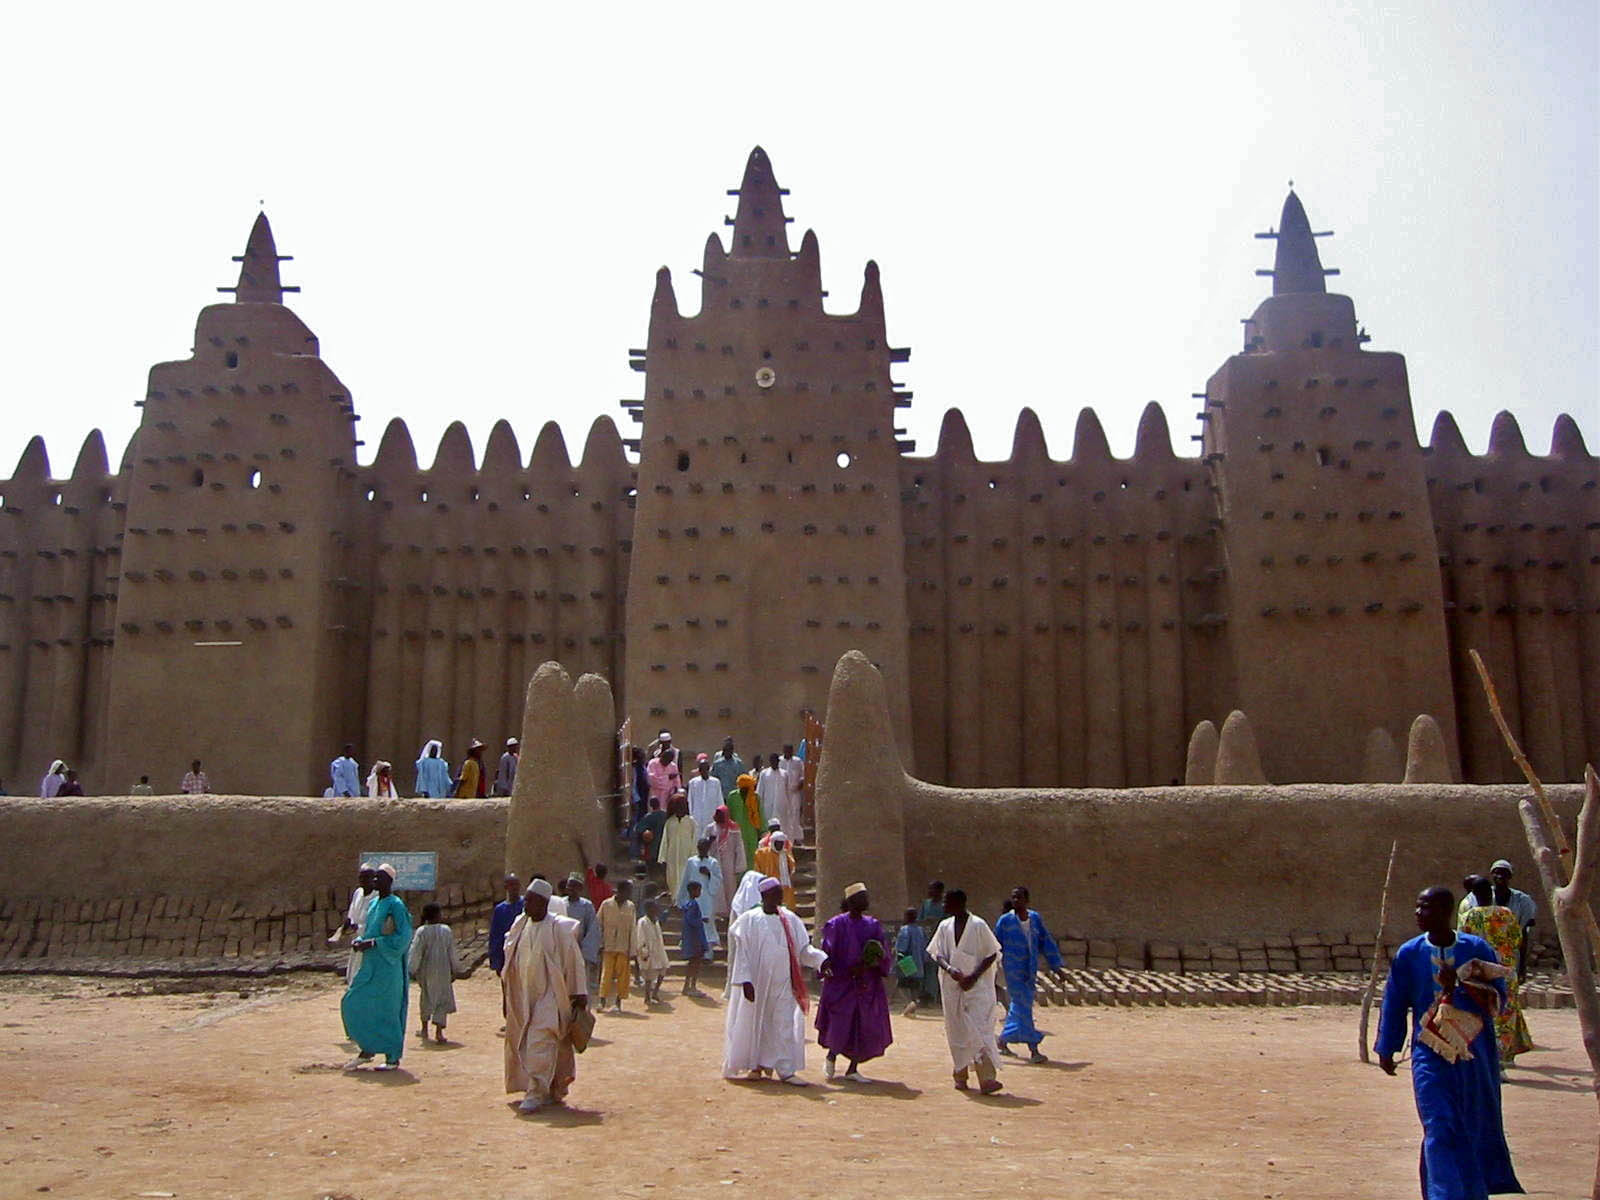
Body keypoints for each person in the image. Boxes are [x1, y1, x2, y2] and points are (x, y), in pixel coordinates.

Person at [1376, 886, 1522, 1198]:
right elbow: (1395, 1002)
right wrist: (1387, 1046)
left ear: (1446, 911)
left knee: (1472, 1124)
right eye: (1418, 907)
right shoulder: (1409, 954)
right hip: (1429, 1053)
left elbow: (1498, 1000)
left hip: (1474, 1054)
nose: (1418, 914)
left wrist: (1458, 984)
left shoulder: (1477, 949)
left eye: (1426, 907)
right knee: (1438, 1123)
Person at [723, 877, 827, 1084]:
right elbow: (742, 954)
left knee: (783, 1024)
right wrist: (745, 980)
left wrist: (822, 961)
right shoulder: (749, 920)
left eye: (780, 893)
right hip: (758, 983)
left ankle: (786, 1070)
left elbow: (803, 949)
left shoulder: (790, 919)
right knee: (756, 1024)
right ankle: (756, 1066)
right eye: (776, 893)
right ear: (764, 896)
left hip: (785, 983)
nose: (780, 897)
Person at [502, 879, 587, 1113]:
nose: (525, 904)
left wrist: (579, 994)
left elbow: (575, 962)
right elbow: (509, 961)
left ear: (543, 903)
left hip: (551, 996)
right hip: (524, 994)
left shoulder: (558, 928)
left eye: (530, 900)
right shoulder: (521, 925)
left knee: (539, 1042)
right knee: (540, 1044)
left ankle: (536, 1093)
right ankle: (552, 1088)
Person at [817, 883, 893, 1083]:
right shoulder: (836, 924)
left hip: (866, 985)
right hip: (841, 983)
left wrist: (870, 964)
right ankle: (831, 1056)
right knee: (840, 1023)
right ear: (851, 902)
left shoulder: (873, 924)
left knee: (863, 1025)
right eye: (862, 897)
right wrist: (834, 968)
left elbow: (881, 951)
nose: (866, 901)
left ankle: (853, 1068)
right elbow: (827, 952)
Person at [929, 888, 1003, 1094]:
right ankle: (960, 1074)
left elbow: (992, 953)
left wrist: (973, 977)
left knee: (980, 1029)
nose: (943, 905)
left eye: (947, 901)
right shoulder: (944, 926)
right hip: (952, 988)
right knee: (956, 1030)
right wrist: (950, 969)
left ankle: (986, 1079)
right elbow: (937, 953)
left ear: (959, 903)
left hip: (977, 989)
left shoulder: (978, 925)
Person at [340, 863, 413, 1070]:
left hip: (388, 967)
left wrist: (374, 943)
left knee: (387, 1011)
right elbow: (368, 931)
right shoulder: (373, 904)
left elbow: (404, 936)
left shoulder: (396, 905)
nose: (374, 881)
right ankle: (367, 1048)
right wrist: (360, 941)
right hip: (370, 964)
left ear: (389, 881)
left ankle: (391, 1057)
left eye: (378, 878)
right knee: (354, 1000)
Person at [1460, 877, 1534, 1071]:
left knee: (1482, 1015)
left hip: (1480, 974)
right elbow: (1517, 940)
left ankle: (1485, 1059)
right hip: (1506, 972)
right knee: (1505, 1015)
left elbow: (1462, 945)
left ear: (1474, 895)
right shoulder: (1507, 914)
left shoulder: (1468, 917)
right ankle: (1503, 1059)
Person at [994, 885, 1067, 1062]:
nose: (1015, 900)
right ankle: (1034, 1049)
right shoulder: (1005, 921)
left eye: (1019, 897)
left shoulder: (1035, 919)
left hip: (1029, 971)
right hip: (1013, 970)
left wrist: (1057, 967)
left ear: (1027, 900)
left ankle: (1003, 1041)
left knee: (1019, 1007)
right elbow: (995, 945)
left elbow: (1046, 942)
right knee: (1023, 1007)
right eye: (1013, 897)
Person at [409, 902, 458, 1043]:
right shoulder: (446, 930)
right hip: (443, 970)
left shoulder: (422, 931)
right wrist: (455, 969)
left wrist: (412, 969)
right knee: (442, 999)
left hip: (426, 971)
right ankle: (439, 1033)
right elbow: (452, 952)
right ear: (437, 915)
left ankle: (424, 1029)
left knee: (426, 997)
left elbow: (415, 952)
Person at [1487, 860, 1536, 981]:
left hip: (1511, 955)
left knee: (1509, 988)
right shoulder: (1483, 896)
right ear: (1492, 875)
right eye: (1497, 873)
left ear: (1510, 876)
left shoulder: (1522, 901)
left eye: (1504, 873)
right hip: (1488, 953)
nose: (1500, 876)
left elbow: (1523, 934)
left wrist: (1523, 967)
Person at [596, 879, 638, 1013]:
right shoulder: (606, 904)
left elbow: (633, 928)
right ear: (620, 891)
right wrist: (599, 943)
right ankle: (602, 1001)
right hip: (608, 945)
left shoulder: (630, 906)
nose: (629, 894)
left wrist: (633, 950)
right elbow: (598, 924)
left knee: (622, 976)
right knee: (606, 974)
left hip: (623, 946)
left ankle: (618, 1002)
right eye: (628, 891)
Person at [678, 837, 724, 950]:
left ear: (708, 849)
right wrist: (681, 898)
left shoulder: (713, 862)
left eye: (704, 848)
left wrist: (709, 874)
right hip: (693, 897)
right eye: (700, 848)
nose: (702, 850)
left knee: (707, 922)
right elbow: (686, 879)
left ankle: (708, 948)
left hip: (707, 898)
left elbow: (718, 879)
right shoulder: (691, 861)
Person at [562, 873, 601, 990]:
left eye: (574, 886)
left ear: (580, 889)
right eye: (569, 886)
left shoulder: (586, 906)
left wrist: (585, 953)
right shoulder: (561, 903)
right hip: (562, 950)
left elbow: (592, 930)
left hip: (579, 951)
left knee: (579, 984)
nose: (571, 889)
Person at [708, 805, 747, 917]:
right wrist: (710, 841)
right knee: (717, 886)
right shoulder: (710, 828)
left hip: (729, 862)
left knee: (730, 887)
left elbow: (739, 847)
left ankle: (730, 913)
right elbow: (704, 844)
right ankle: (718, 911)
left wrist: (739, 866)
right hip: (715, 861)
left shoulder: (734, 829)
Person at [660, 792, 697, 909]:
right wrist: (663, 857)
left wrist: (694, 856)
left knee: (685, 877)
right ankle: (675, 900)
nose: (680, 809)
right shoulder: (670, 822)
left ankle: (684, 901)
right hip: (672, 856)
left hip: (687, 856)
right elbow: (665, 841)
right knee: (672, 877)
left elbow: (695, 839)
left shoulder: (691, 822)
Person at [679, 879, 713, 996]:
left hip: (691, 937)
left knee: (692, 963)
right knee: (695, 963)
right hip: (695, 938)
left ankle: (687, 986)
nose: (700, 892)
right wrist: (700, 921)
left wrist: (701, 919)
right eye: (698, 890)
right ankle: (692, 987)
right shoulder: (693, 905)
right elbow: (691, 920)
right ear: (693, 891)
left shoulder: (688, 904)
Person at [895, 907, 930, 1017]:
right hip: (919, 964)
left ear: (907, 917)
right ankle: (911, 1010)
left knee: (902, 986)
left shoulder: (905, 930)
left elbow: (902, 948)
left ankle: (909, 1003)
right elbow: (925, 948)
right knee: (914, 987)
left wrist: (899, 961)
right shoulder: (920, 930)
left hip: (907, 961)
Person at [916, 880, 946, 1007]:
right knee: (927, 969)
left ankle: (938, 996)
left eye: (932, 889)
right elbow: (920, 921)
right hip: (926, 942)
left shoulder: (944, 905)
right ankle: (926, 996)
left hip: (941, 942)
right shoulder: (926, 904)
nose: (930, 892)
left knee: (939, 969)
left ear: (940, 891)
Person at [636, 898, 670, 1005]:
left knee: (663, 969)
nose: (655, 910)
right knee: (648, 976)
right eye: (653, 908)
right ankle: (647, 997)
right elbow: (640, 938)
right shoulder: (642, 922)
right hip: (648, 951)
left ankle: (655, 993)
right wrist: (643, 952)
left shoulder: (656, 921)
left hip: (658, 950)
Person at [488, 873, 521, 977]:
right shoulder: (500, 910)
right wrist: (496, 962)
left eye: (516, 884)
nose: (514, 887)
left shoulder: (525, 905)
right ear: (506, 887)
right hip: (505, 953)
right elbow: (495, 936)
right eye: (511, 885)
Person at [753, 831, 797, 908]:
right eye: (777, 843)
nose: (779, 845)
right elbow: (757, 869)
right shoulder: (762, 853)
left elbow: (792, 868)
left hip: (784, 885)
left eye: (781, 843)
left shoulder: (786, 854)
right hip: (769, 885)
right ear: (773, 842)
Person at [728, 773, 762, 864]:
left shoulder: (755, 798)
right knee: (738, 857)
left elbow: (761, 814)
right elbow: (729, 815)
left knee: (752, 856)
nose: (745, 791)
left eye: (747, 789)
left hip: (751, 832)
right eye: (743, 789)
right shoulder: (732, 796)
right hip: (736, 832)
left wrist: (762, 832)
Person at [775, 744, 805, 845]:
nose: (788, 753)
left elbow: (802, 776)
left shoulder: (798, 761)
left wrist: (799, 785)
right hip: (782, 792)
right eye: (786, 751)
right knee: (783, 813)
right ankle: (784, 836)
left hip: (794, 792)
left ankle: (796, 837)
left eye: (790, 751)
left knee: (795, 813)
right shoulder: (779, 761)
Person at [687, 753, 722, 832]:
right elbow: (690, 800)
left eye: (705, 769)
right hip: (697, 817)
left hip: (711, 816)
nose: (703, 771)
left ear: (708, 769)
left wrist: (720, 815)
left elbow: (719, 800)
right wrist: (691, 815)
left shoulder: (716, 782)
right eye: (701, 769)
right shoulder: (693, 782)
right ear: (699, 770)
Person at [636, 795, 667, 875]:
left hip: (652, 849)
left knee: (653, 871)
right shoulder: (666, 815)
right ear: (659, 804)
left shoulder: (648, 817)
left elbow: (638, 829)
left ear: (650, 805)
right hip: (665, 848)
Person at [709, 737, 746, 803]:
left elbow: (743, 777)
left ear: (732, 750)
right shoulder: (717, 764)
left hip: (734, 795)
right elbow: (713, 778)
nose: (728, 751)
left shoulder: (738, 763)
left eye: (730, 749)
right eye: (726, 750)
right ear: (723, 750)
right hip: (721, 796)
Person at [646, 740, 681, 807]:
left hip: (667, 798)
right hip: (655, 796)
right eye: (665, 759)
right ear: (661, 756)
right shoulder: (653, 763)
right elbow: (651, 780)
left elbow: (677, 783)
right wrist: (667, 778)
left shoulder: (673, 766)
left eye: (668, 761)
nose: (666, 762)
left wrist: (675, 791)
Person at [756, 756, 786, 828]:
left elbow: (787, 791)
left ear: (778, 762)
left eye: (775, 761)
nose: (774, 763)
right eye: (772, 761)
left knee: (781, 826)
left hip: (780, 805)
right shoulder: (764, 773)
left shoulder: (784, 774)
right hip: (767, 805)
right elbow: (760, 790)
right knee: (767, 826)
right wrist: (758, 805)